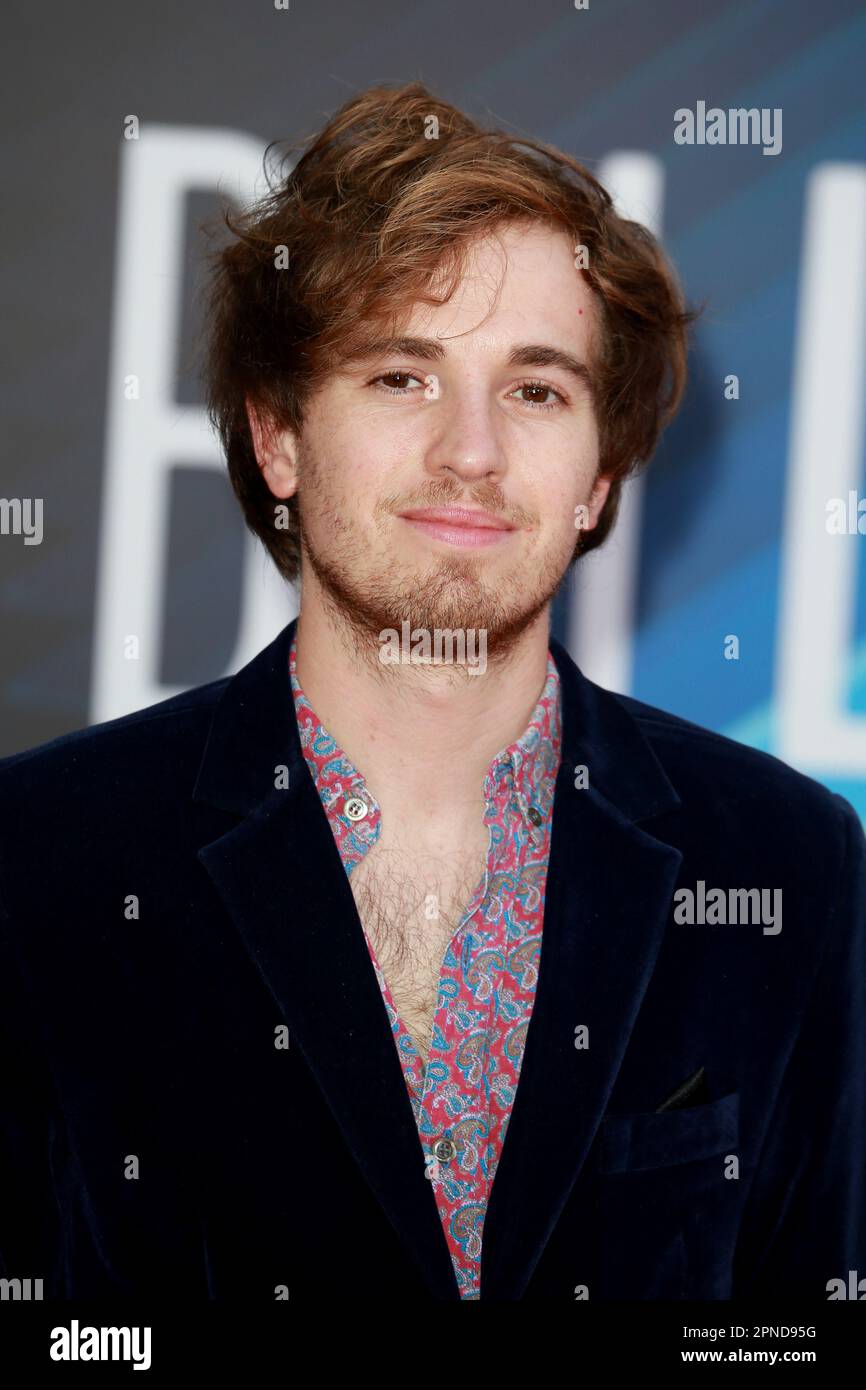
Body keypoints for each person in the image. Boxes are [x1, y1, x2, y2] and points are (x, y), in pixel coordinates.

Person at [1, 81, 863, 1303]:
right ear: (275, 437)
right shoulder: (42, 857)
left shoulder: (786, 863)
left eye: (535, 389)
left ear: (598, 478)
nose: (470, 449)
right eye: (401, 376)